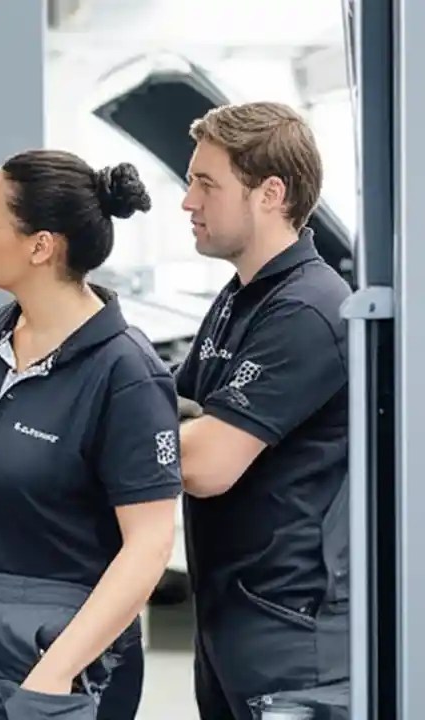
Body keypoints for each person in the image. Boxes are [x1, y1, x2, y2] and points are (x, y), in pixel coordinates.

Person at [0, 150, 181, 720]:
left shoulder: (125, 372)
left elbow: (150, 545)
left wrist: (54, 675)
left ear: (41, 245)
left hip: (65, 653)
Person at [174, 102, 350, 720]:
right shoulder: (240, 298)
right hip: (231, 615)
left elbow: (207, 462)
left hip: (292, 639)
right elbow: (175, 404)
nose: (187, 202)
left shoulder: (307, 309)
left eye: (205, 183)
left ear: (270, 193)